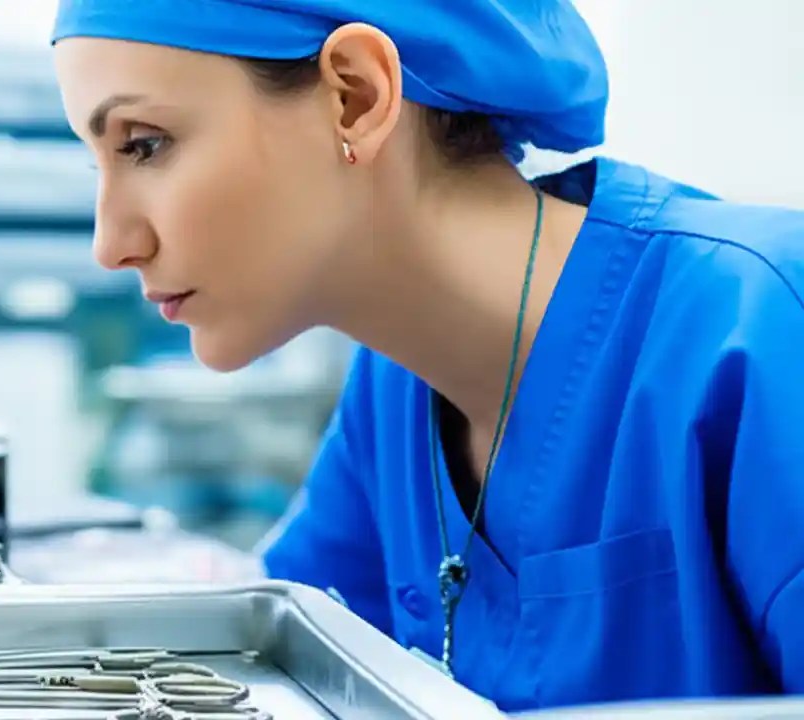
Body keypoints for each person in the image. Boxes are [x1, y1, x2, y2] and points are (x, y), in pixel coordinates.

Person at [49, 0, 804, 712]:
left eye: (145, 145)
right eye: (97, 167)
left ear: (355, 96)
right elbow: (277, 668)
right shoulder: (396, 392)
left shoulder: (761, 331)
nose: (111, 244)